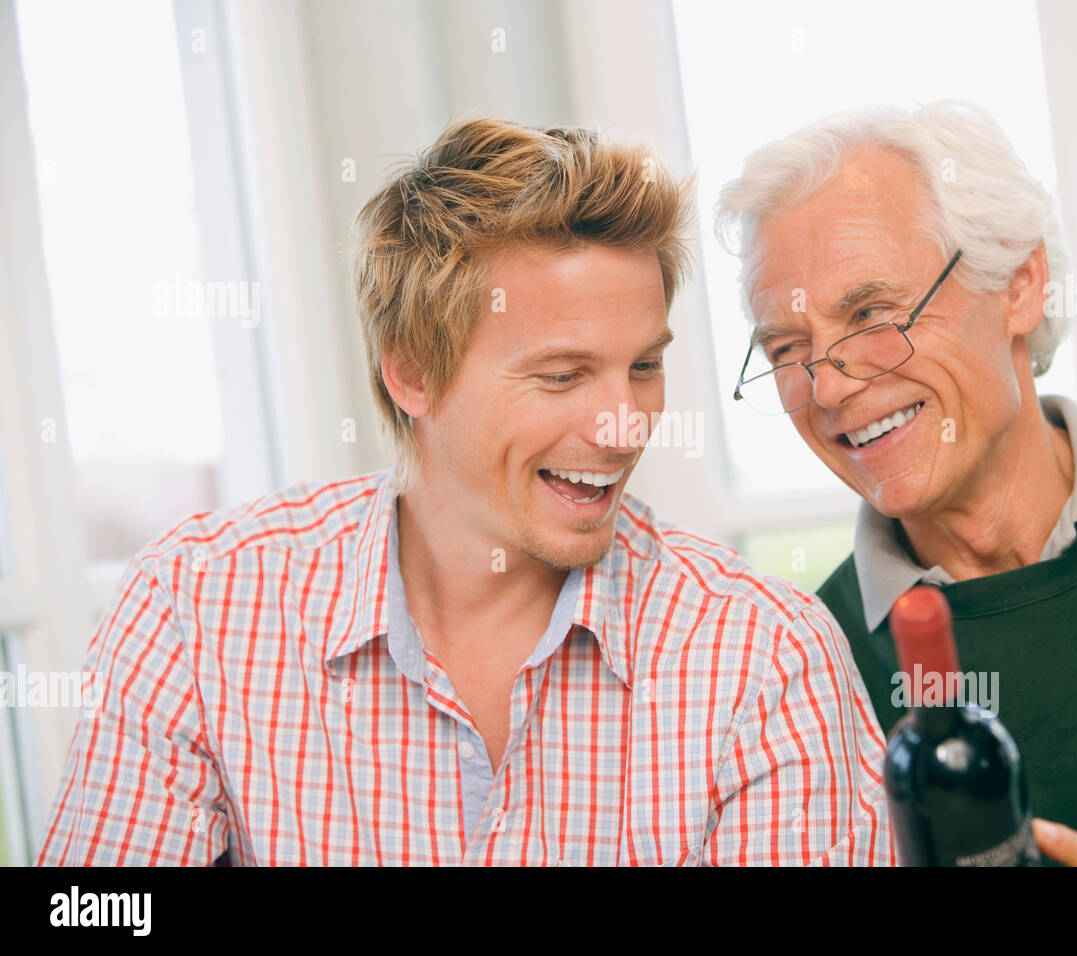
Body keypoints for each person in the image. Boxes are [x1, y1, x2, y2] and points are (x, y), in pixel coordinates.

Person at [38, 118, 890, 866]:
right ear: (412, 370)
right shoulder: (198, 607)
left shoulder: (763, 659)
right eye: (562, 376)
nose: (624, 426)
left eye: (643, 367)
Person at [715, 101, 1077, 866]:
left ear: (1021, 284)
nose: (826, 388)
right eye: (789, 348)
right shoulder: (797, 670)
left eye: (871, 313)